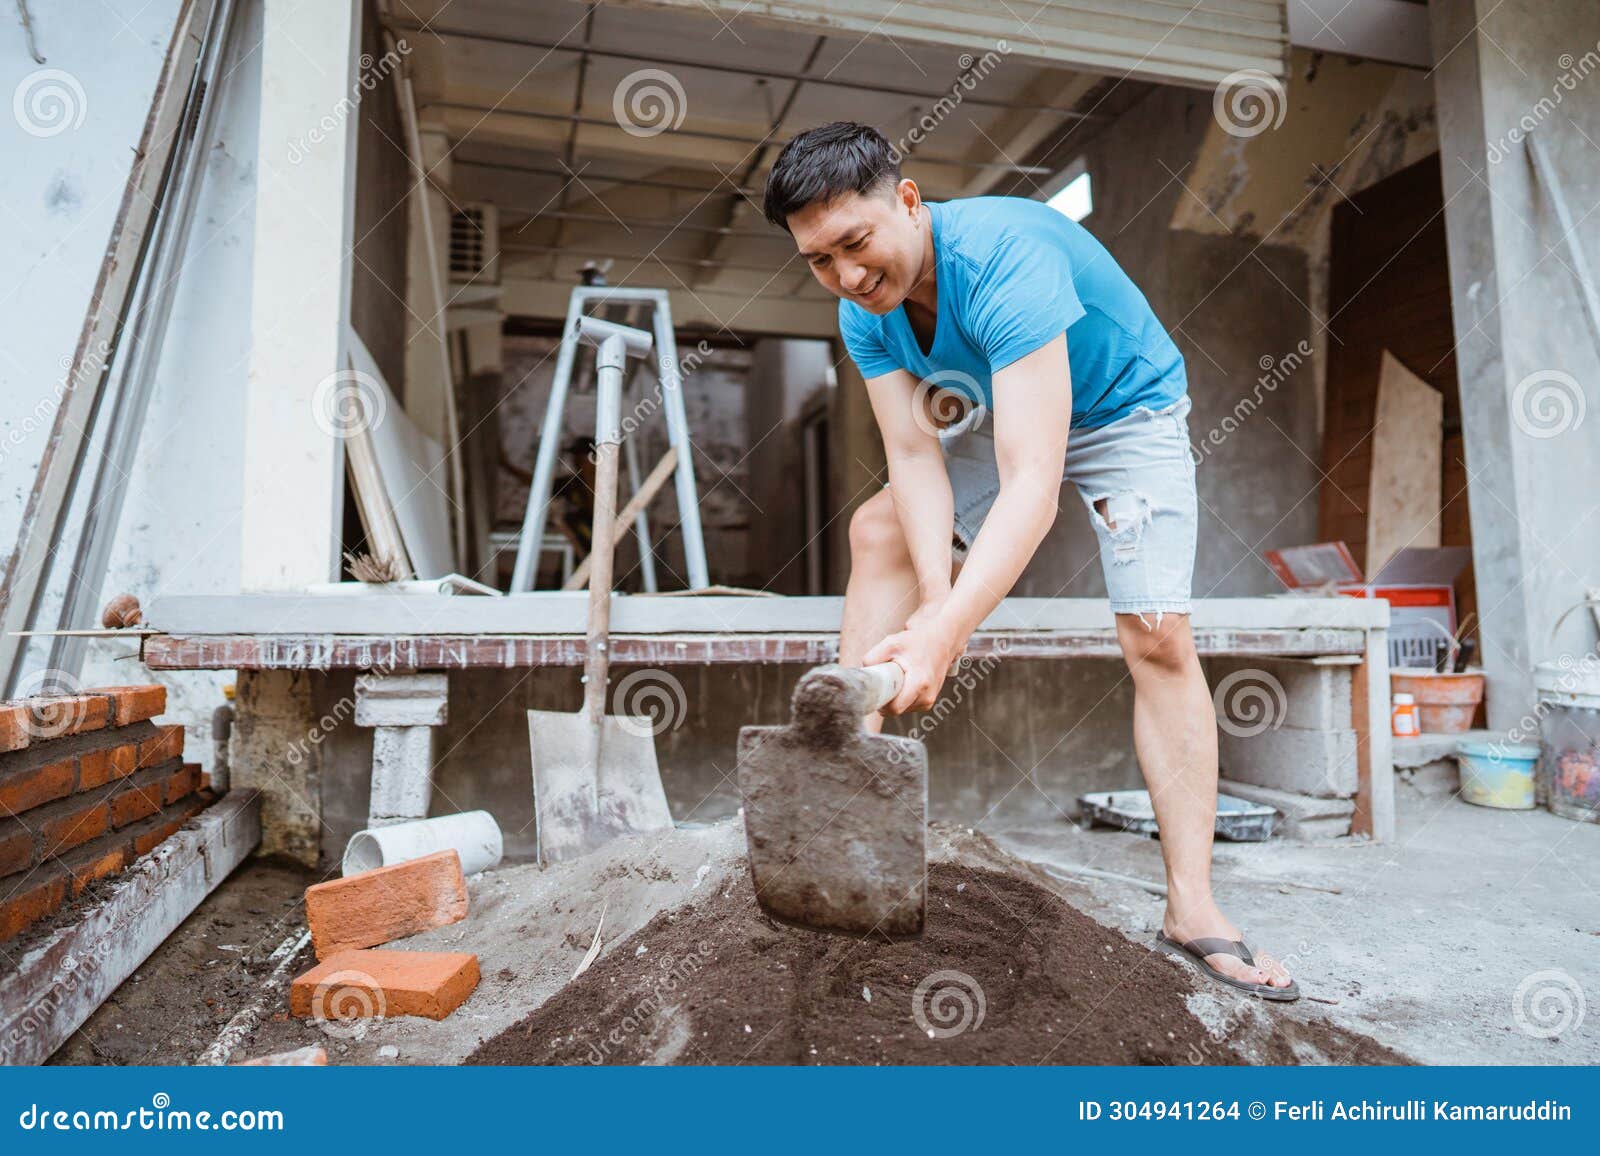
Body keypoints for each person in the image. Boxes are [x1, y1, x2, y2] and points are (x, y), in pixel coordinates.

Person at [762, 121, 1297, 1000]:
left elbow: (1032, 484)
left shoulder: (1004, 253)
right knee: (879, 529)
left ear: (907, 200)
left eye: (856, 244)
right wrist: (936, 605)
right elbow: (913, 455)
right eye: (819, 260)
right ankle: (844, 810)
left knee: (1157, 636)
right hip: (998, 410)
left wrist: (945, 639)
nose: (848, 277)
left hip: (1123, 412)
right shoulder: (863, 314)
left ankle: (1193, 905)